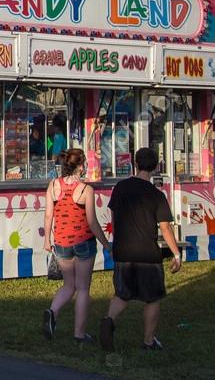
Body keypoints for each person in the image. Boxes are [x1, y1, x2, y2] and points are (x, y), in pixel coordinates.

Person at [100, 147, 181, 352]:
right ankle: (148, 340)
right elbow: (165, 227)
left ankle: (108, 321)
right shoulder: (156, 195)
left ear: (135, 164)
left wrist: (116, 243)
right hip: (148, 254)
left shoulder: (120, 188)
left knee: (121, 295)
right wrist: (176, 253)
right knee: (152, 298)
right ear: (154, 167)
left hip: (123, 251)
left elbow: (114, 219)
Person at [42, 148, 111, 344]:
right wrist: (105, 244)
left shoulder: (53, 185)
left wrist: (47, 239)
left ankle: (52, 312)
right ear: (80, 167)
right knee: (82, 288)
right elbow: (92, 222)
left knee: (68, 285)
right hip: (83, 243)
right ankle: (79, 334)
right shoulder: (85, 190)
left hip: (62, 242)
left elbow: (48, 215)